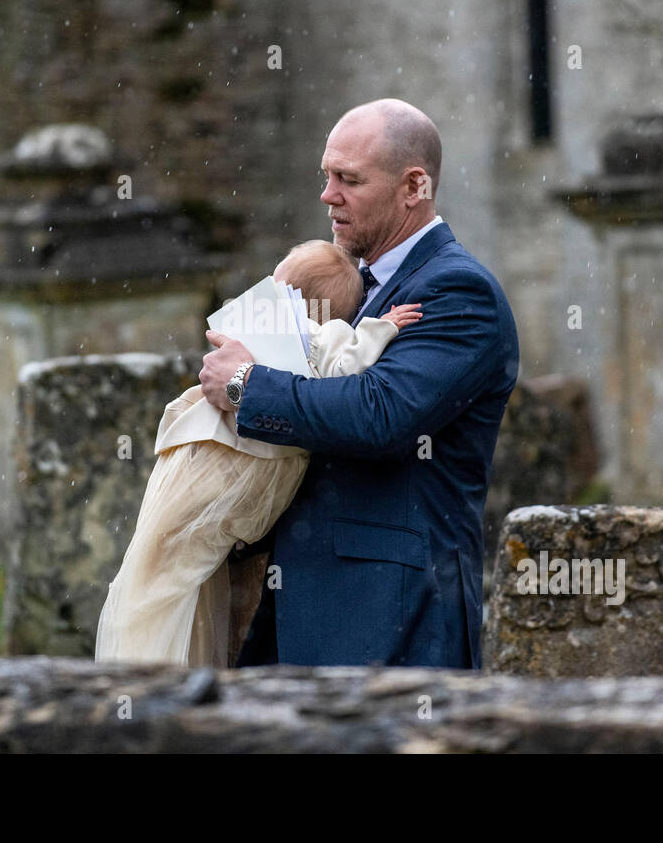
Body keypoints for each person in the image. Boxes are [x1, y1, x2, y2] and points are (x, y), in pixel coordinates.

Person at [198, 97, 519, 668]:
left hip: (391, 614)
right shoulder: (344, 280)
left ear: (413, 186)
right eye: (326, 176)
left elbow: (380, 416)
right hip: (296, 601)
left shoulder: (459, 293)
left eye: (348, 180)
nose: (328, 195)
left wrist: (248, 384)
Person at [94, 238, 423, 667]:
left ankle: (146, 654)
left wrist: (384, 326)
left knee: (166, 565)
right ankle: (154, 651)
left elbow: (350, 367)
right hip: (228, 458)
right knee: (170, 566)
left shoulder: (317, 335)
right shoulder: (299, 336)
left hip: (230, 460)